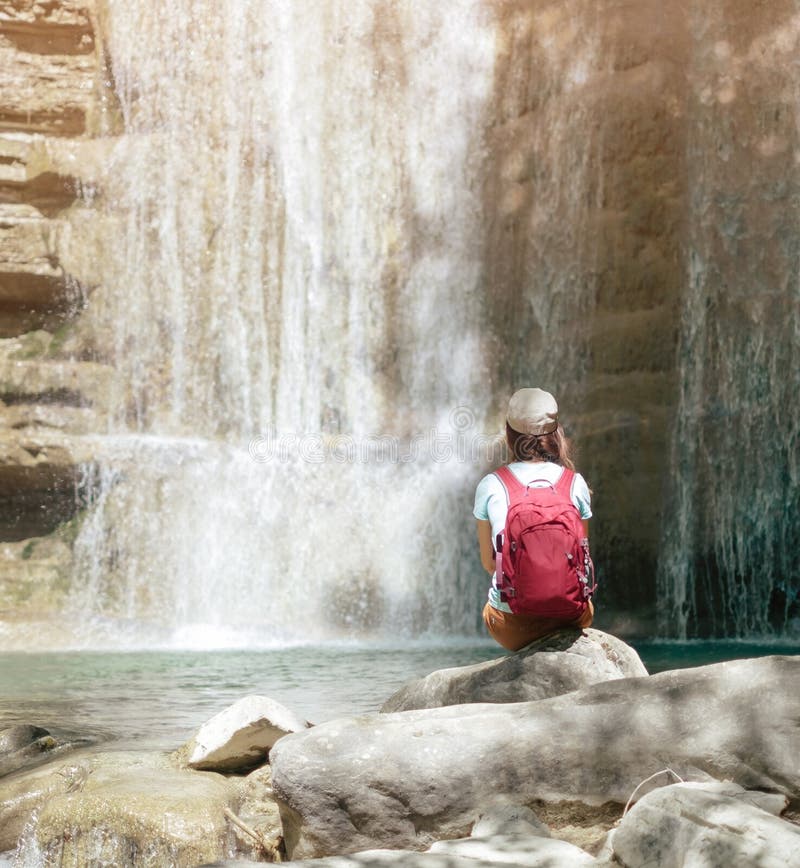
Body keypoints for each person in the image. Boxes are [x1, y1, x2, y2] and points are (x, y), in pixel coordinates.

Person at [473, 387, 594, 651]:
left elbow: (489, 563)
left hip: (511, 624)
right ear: (556, 433)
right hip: (570, 616)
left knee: (490, 608)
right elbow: (582, 556)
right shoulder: (575, 483)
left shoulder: (491, 484)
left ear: (508, 433)